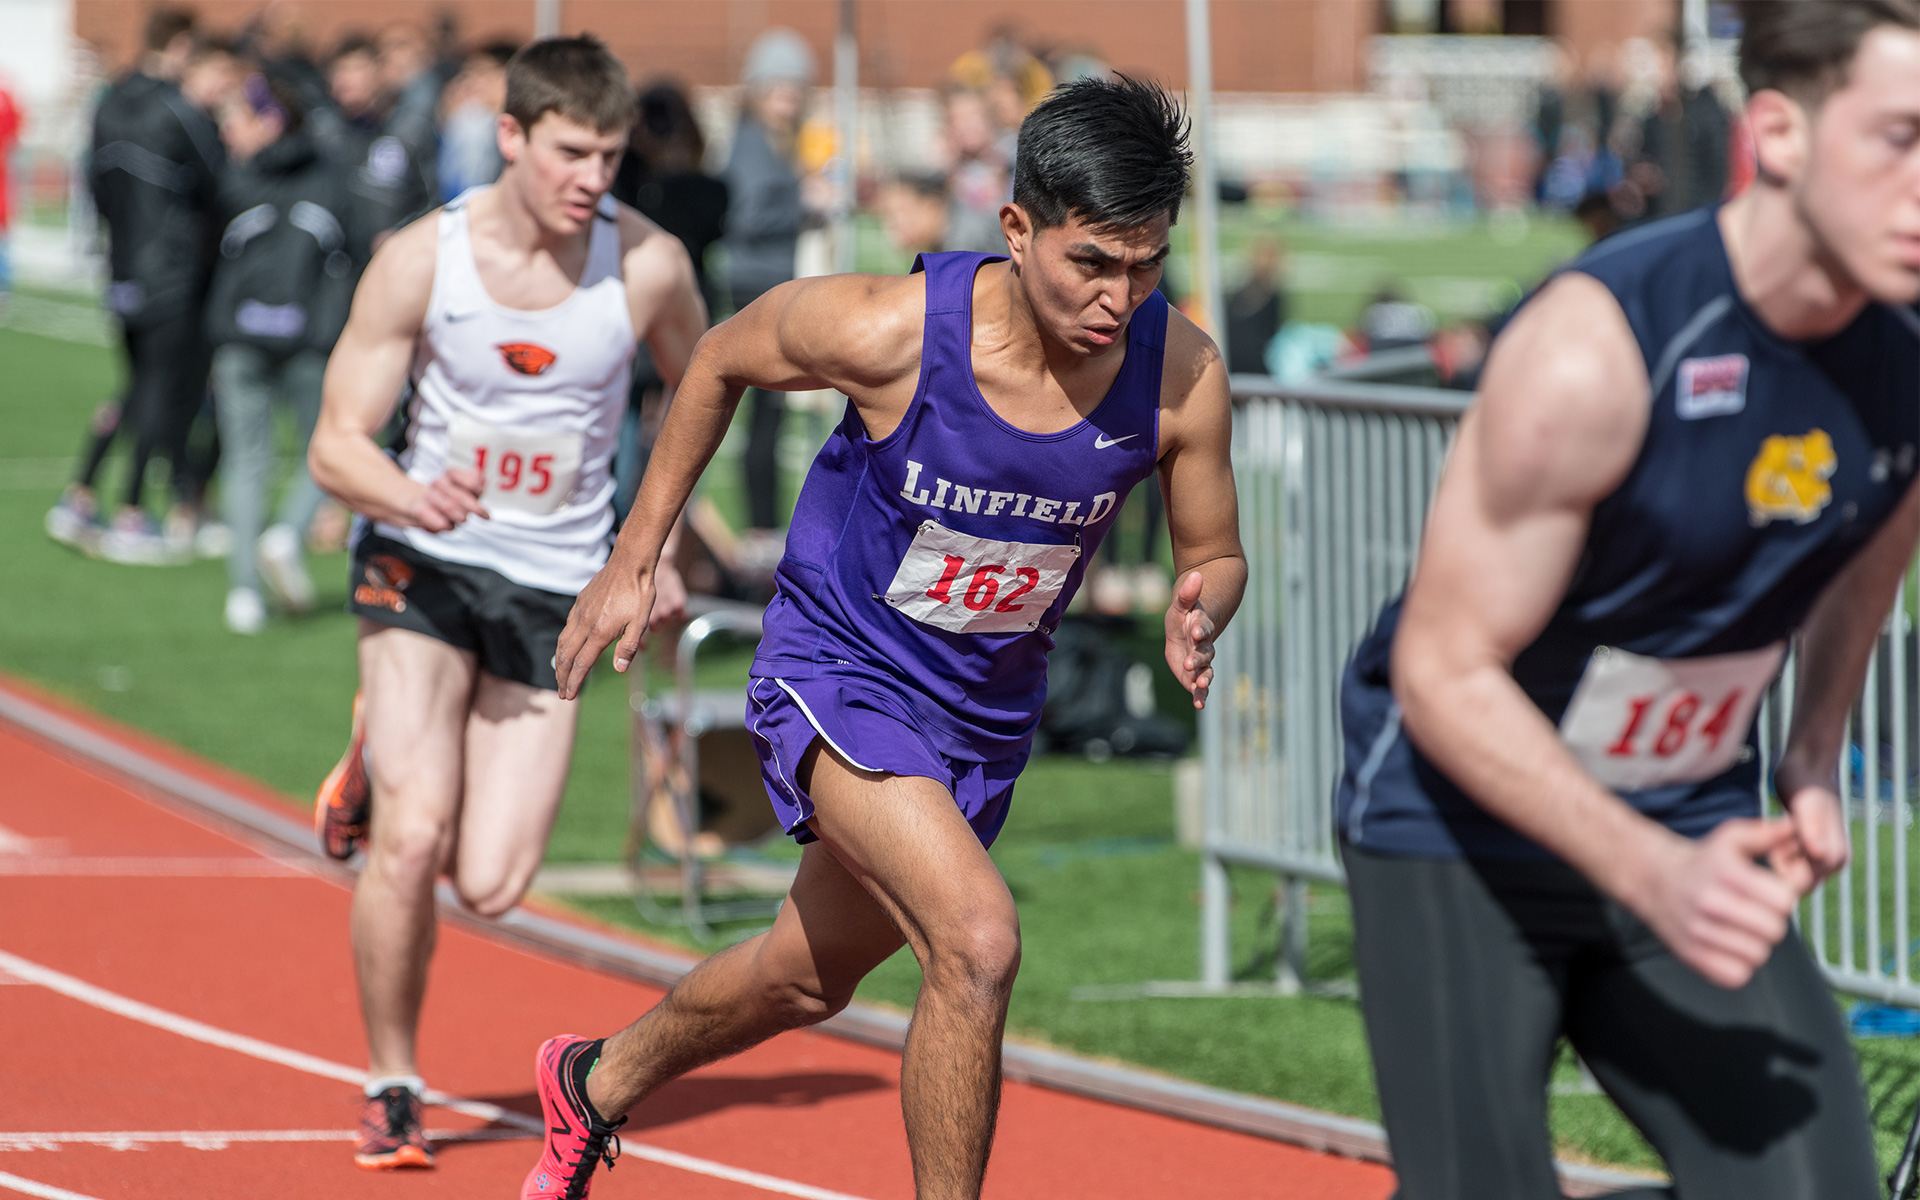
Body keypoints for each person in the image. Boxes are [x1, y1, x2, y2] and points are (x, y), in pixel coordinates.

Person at [520, 76, 1245, 1200]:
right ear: (1018, 229)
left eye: (1146, 266)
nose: (1120, 297)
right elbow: (716, 360)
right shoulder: (890, 331)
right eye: (1092, 264)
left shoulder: (1181, 377)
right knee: (978, 941)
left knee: (804, 980)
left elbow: (1215, 550)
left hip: (985, 717)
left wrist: (1204, 602)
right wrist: (635, 555)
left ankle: (595, 1081)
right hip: (838, 672)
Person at [1334, 3, 1920, 1197]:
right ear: (1780, 134)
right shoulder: (1595, 349)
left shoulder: (1907, 359)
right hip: (1459, 829)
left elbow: (1865, 568)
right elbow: (1442, 673)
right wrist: (1654, 871)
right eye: (1902, 138)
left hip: (1688, 815)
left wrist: (1811, 756)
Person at [304, 35, 704, 1170]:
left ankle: (373, 758)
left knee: (489, 882)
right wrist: (412, 495)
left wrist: (653, 541)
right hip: (421, 562)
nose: (592, 177)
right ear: (513, 137)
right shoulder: (423, 260)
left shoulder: (649, 265)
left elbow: (702, 387)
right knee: (415, 836)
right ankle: (392, 1081)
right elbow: (338, 442)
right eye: (571, 151)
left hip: (556, 582)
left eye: (611, 155)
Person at [46, 7, 225, 564]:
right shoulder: (175, 106)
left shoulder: (109, 103)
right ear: (181, 48)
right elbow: (219, 180)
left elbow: (93, 182)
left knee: (134, 384)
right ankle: (131, 513)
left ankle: (80, 495)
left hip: (120, 266)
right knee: (159, 389)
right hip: (170, 272)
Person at [206, 70, 360, 634]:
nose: (227, 133)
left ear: (269, 120)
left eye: (236, 120)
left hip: (242, 338)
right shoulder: (332, 176)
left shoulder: (233, 181)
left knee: (246, 461)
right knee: (326, 449)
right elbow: (358, 254)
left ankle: (244, 594)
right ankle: (286, 533)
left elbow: (207, 255)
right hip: (311, 338)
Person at [724, 28, 812, 536]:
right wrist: (806, 203)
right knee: (765, 413)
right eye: (780, 88)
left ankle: (766, 523)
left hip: (770, 278)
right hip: (756, 284)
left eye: (797, 90)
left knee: (771, 416)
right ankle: (761, 526)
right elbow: (749, 213)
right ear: (758, 90)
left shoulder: (773, 140)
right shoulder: (751, 142)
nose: (789, 99)